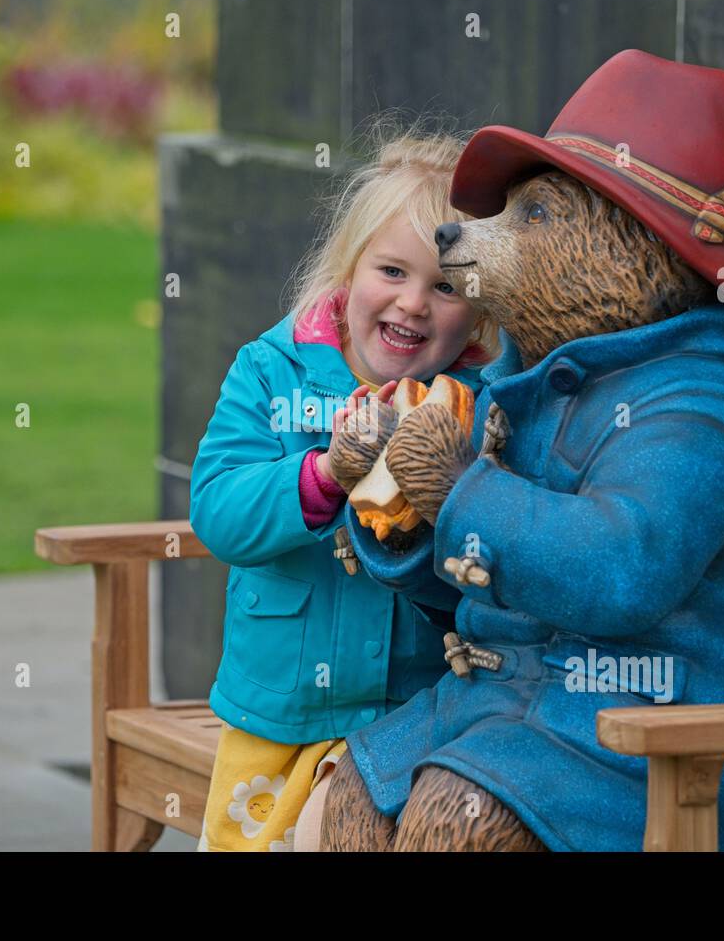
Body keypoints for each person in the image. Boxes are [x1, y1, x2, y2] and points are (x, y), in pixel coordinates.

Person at [188, 127, 500, 851]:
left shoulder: (485, 403)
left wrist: (448, 488)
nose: (414, 303)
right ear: (347, 268)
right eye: (392, 270)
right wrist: (325, 473)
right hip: (281, 705)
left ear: (482, 310)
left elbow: (495, 562)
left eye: (447, 286)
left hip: (414, 711)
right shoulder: (273, 372)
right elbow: (219, 510)